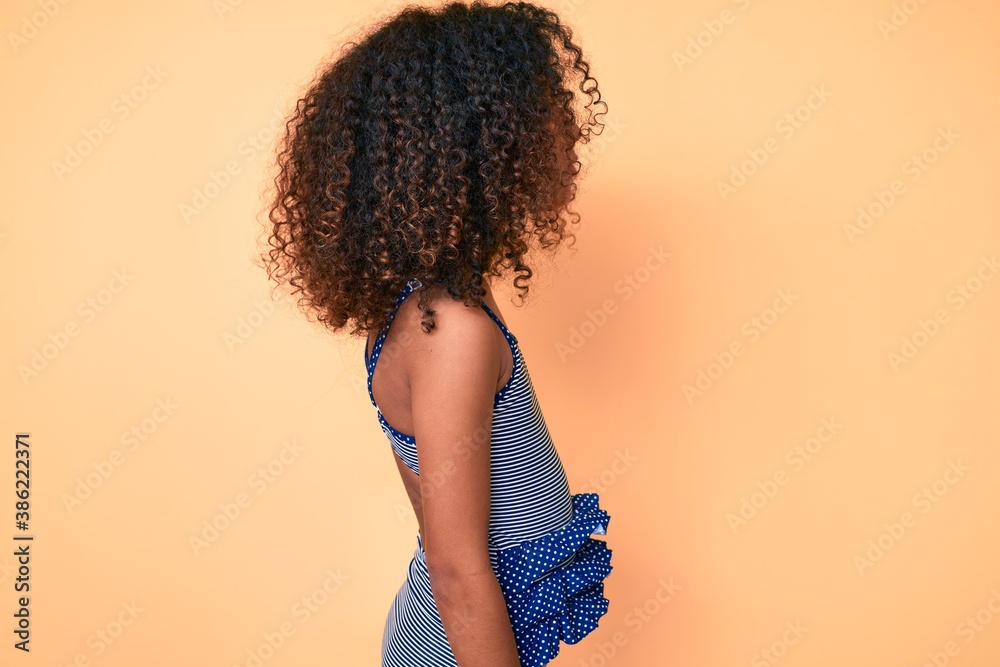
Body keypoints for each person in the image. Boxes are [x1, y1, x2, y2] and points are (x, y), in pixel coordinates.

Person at [259, 2, 612, 665]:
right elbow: (455, 573)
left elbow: (431, 503)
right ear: (486, 143)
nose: (567, 130)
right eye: (546, 112)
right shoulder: (450, 328)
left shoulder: (420, 311)